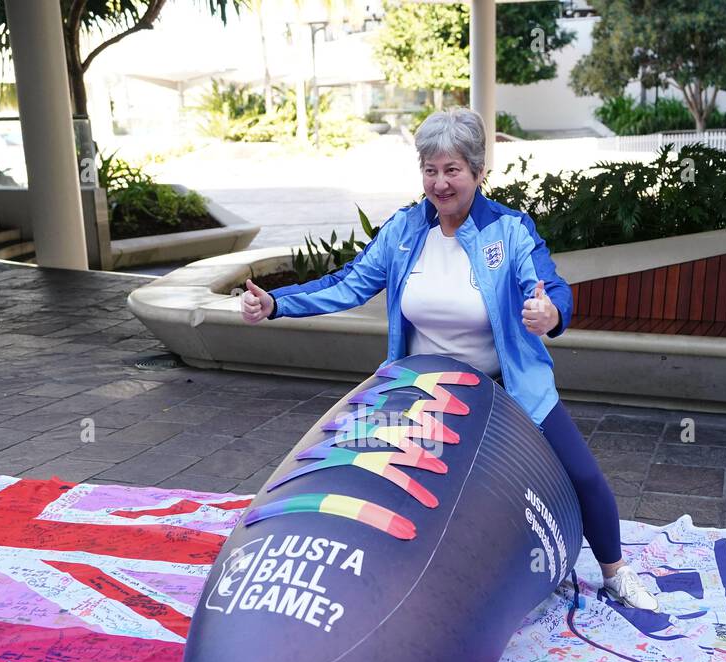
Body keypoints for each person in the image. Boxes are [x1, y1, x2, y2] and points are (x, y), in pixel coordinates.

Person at [238, 107, 658, 611]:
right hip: (421, 389)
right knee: (365, 470)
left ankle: (615, 572)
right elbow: (349, 284)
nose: (440, 183)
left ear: (479, 173)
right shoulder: (405, 231)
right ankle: (371, 578)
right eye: (430, 170)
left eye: (452, 170)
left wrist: (551, 313)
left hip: (507, 389)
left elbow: (551, 289)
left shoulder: (509, 231)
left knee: (583, 475)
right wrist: (277, 302)